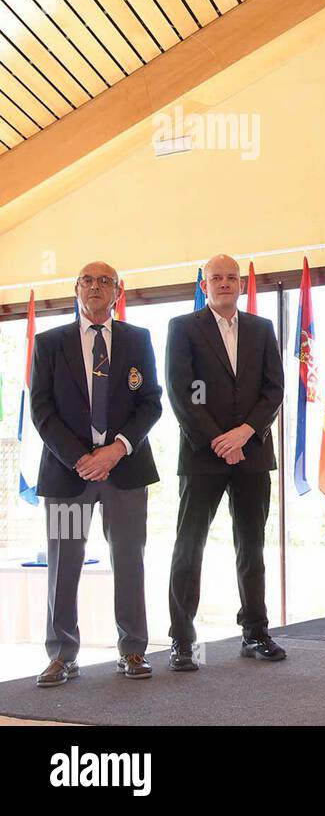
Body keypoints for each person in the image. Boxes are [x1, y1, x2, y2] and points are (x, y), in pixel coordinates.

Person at [30, 263, 162, 687]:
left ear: (118, 292)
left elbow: (151, 403)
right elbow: (42, 410)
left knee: (129, 560)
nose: (95, 286)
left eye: (105, 281)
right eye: (87, 279)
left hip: (124, 473)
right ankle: (63, 655)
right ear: (76, 289)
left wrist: (116, 449)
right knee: (64, 565)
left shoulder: (138, 340)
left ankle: (133, 649)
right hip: (69, 478)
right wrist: (81, 459)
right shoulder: (50, 343)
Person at [166, 254, 286, 670]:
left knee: (251, 546)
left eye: (231, 277)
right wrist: (219, 439)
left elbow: (274, 390)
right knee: (189, 546)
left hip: (252, 453)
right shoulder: (183, 328)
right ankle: (182, 640)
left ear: (241, 284)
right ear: (204, 284)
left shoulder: (262, 328)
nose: (223, 283)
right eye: (215, 277)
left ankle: (255, 631)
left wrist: (245, 433)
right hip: (203, 455)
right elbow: (181, 393)